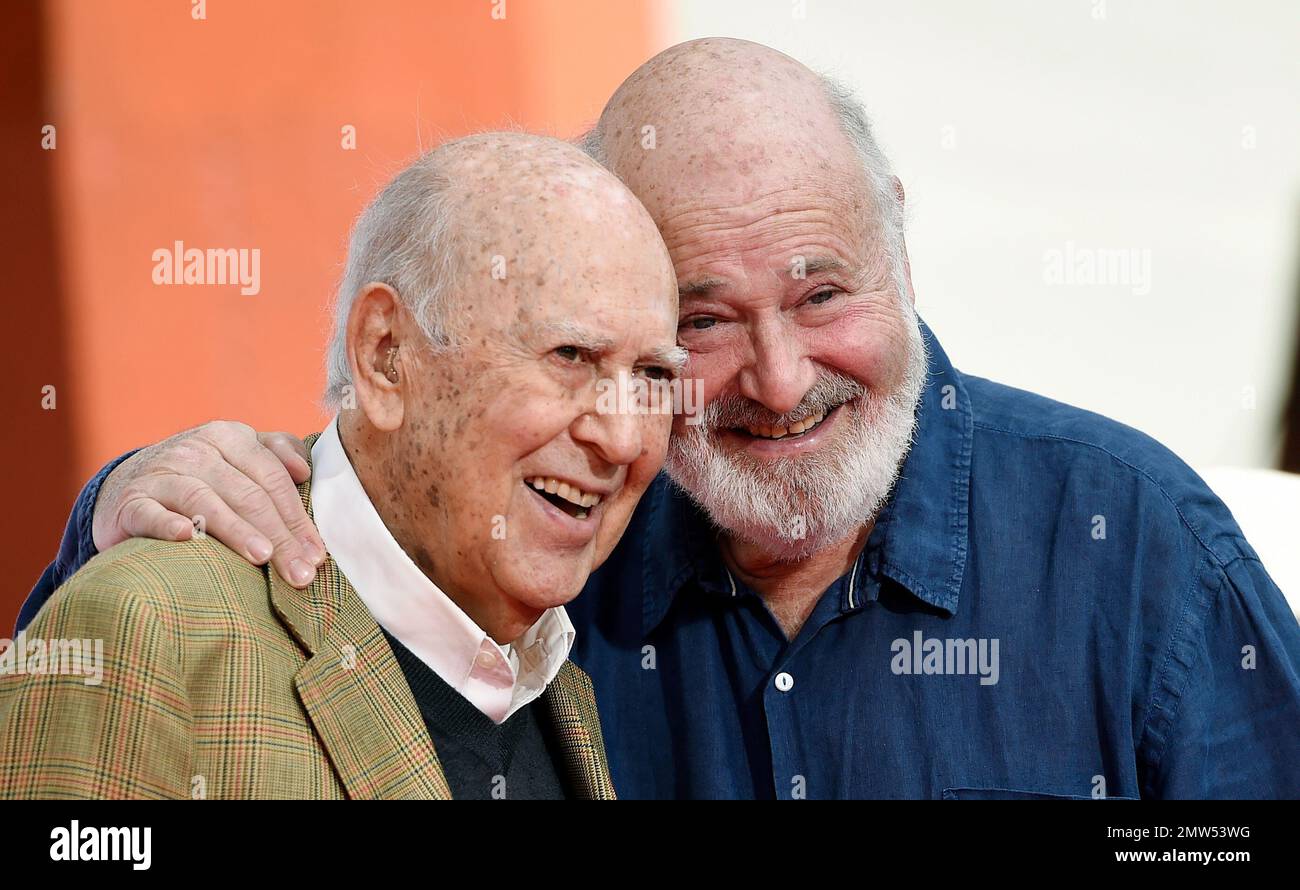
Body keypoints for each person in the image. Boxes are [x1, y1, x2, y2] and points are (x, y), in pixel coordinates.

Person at [17, 40, 1300, 799]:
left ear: (899, 244)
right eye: (700, 322)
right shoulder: (557, 539)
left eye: (822, 292)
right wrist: (120, 508)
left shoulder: (1136, 548)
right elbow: (366, 506)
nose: (779, 380)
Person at [0, 133, 682, 799]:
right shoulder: (148, 628)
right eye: (569, 357)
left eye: (653, 373)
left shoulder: (564, 673)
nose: (623, 437)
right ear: (386, 355)